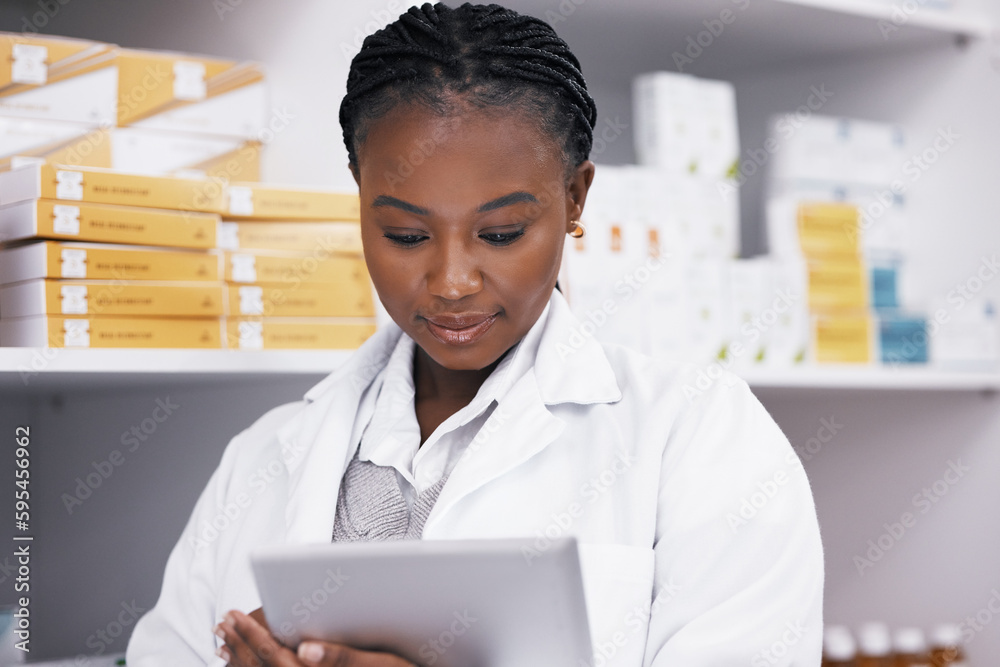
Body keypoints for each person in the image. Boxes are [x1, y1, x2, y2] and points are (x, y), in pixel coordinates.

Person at [126, 3, 824, 665]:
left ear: (576, 197)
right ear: (359, 192)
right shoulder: (260, 459)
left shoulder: (699, 435)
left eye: (501, 233)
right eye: (405, 233)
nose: (452, 280)